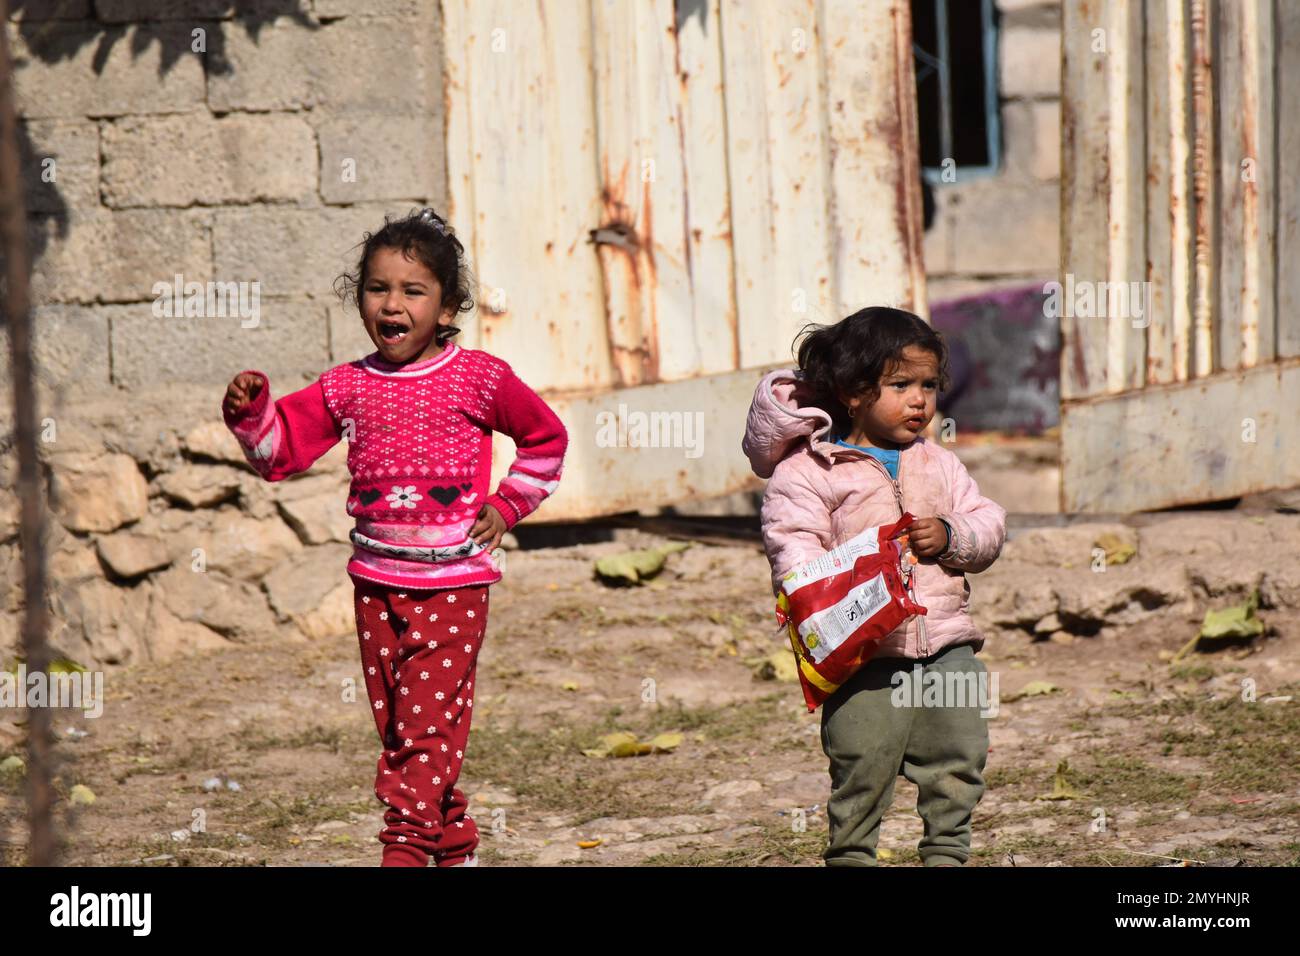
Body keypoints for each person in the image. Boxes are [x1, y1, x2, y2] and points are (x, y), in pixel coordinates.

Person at [222, 208, 568, 867]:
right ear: (360, 301)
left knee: (422, 735)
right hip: (376, 586)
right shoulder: (346, 387)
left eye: (413, 290)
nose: (393, 303)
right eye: (378, 289)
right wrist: (250, 411)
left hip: (452, 588)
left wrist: (508, 503)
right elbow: (278, 456)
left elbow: (546, 439)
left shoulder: (479, 378)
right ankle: (455, 845)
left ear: (445, 307)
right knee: (405, 737)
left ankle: (403, 852)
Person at [742, 306, 1005, 867]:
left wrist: (954, 535)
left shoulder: (939, 464)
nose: (920, 401)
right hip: (863, 655)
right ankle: (853, 854)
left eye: (930, 385)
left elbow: (988, 524)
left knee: (959, 754)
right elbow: (793, 549)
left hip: (945, 642)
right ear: (855, 392)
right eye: (901, 384)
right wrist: (840, 582)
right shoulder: (811, 470)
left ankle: (946, 852)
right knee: (863, 763)